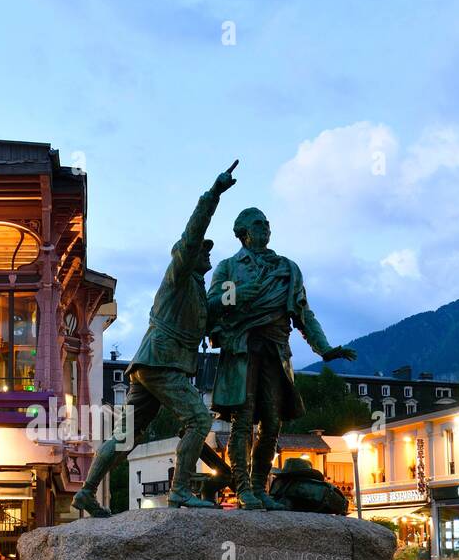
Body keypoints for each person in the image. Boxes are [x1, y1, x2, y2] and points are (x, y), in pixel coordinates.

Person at [72, 165, 240, 516]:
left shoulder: (194, 289)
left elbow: (211, 314)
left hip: (152, 366)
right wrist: (213, 194)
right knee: (198, 420)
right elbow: (193, 233)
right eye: (203, 250)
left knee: (125, 436)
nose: (208, 253)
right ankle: (179, 491)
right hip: (162, 362)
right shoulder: (178, 275)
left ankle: (86, 492)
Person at [206, 206, 356, 509]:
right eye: (259, 224)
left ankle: (260, 487)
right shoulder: (229, 268)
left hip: (275, 349)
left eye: (267, 224)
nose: (266, 228)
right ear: (243, 232)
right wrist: (240, 293)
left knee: (273, 423)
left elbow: (303, 313)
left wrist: (324, 348)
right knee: (242, 420)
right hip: (242, 348)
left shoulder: (286, 269)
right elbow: (210, 306)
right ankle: (243, 488)